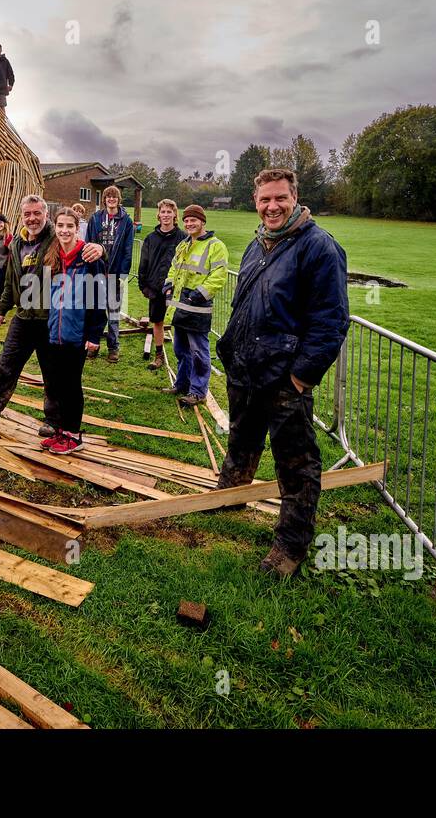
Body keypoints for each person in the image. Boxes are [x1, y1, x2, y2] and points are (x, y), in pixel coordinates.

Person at [215, 169, 349, 578]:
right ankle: (232, 493)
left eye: (279, 199)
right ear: (255, 202)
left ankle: (290, 545)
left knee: (296, 462)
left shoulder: (319, 248)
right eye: (264, 200)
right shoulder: (259, 244)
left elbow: (330, 321)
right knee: (242, 435)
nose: (271, 206)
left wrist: (300, 378)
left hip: (284, 377)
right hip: (246, 367)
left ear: (295, 198)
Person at [0, 195, 105, 435]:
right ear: (21, 217)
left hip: (49, 317)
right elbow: (12, 280)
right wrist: (1, 309)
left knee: (52, 373)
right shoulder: (16, 244)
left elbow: (82, 250)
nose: (32, 218)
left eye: (37, 213)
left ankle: (53, 421)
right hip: (23, 317)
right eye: (27, 214)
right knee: (4, 367)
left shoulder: (55, 237)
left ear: (46, 215)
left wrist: (100, 248)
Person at [41, 207, 108, 455]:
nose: (64, 231)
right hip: (55, 333)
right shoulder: (53, 254)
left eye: (70, 226)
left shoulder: (89, 257)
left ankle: (73, 435)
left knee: (71, 385)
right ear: (55, 227)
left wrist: (93, 335)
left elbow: (100, 297)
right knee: (56, 385)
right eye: (60, 226)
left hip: (77, 334)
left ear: (77, 228)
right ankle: (60, 431)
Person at [162, 204, 228, 408]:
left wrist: (199, 294)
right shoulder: (183, 244)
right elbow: (174, 267)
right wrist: (168, 282)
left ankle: (198, 391)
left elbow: (219, 276)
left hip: (197, 307)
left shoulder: (215, 246)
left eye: (194, 220)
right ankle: (182, 384)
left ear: (202, 221)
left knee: (199, 351)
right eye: (187, 220)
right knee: (181, 348)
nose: (189, 224)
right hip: (180, 305)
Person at [84, 185, 135, 362]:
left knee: (113, 313)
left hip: (114, 274)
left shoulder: (126, 222)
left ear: (118, 200)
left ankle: (113, 348)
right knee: (95, 311)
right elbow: (88, 244)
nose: (111, 199)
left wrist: (122, 275)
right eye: (108, 197)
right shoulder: (96, 219)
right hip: (97, 272)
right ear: (104, 199)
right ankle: (94, 343)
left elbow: (128, 250)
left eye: (114, 197)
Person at [138, 198, 187, 371]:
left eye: (169, 211)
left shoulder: (183, 238)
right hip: (155, 288)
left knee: (180, 323)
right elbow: (143, 263)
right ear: (158, 215)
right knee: (157, 321)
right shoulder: (151, 238)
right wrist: (143, 285)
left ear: (175, 215)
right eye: (163, 212)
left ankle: (184, 357)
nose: (166, 215)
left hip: (177, 289)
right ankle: (158, 356)